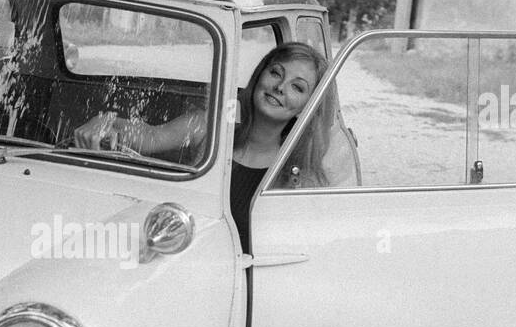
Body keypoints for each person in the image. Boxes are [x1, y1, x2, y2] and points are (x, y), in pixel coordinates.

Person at [73, 41, 337, 251]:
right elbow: (150, 137)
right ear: (259, 76)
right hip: (176, 256)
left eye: (297, 88)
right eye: (276, 73)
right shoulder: (210, 125)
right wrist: (104, 121)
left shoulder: (300, 174)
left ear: (307, 107)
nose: (280, 87)